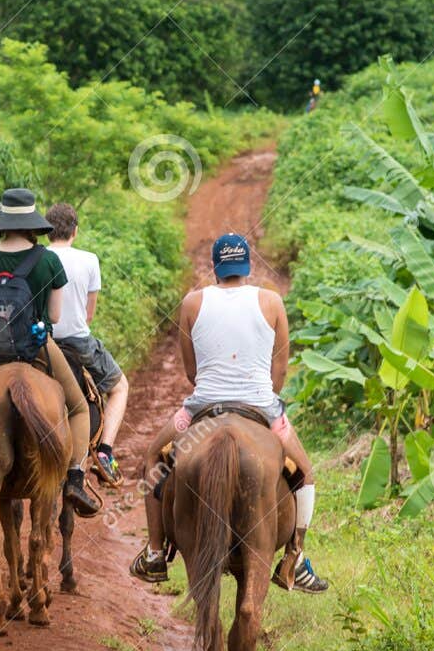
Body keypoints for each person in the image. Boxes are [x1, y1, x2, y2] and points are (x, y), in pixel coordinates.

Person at [128, 232, 328, 593]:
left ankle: (156, 551)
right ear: (247, 267)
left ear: (215, 268)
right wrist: (261, 399)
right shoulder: (271, 302)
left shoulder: (192, 302)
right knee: (306, 473)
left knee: (151, 458)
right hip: (262, 407)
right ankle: (295, 558)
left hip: (202, 406)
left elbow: (191, 372)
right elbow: (279, 373)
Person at [0, 188, 102, 517]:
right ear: (32, 222)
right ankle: (74, 478)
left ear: (2, 221)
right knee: (79, 408)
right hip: (37, 348)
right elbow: (54, 317)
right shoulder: (48, 260)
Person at [43, 202, 129, 486]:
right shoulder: (90, 260)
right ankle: (104, 452)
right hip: (78, 343)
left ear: (47, 232)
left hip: (41, 342)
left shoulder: (36, 258)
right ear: (75, 231)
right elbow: (89, 315)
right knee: (119, 387)